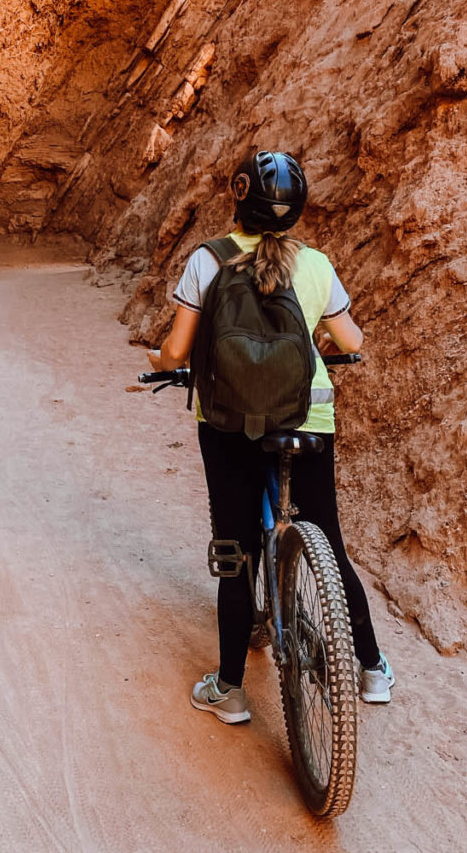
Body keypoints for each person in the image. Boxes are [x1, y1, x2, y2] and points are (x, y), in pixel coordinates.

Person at [145, 150, 395, 724]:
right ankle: (373, 668)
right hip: (306, 420)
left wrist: (157, 359)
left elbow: (178, 351)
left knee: (236, 551)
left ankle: (230, 688)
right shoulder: (316, 265)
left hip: (229, 424)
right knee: (327, 540)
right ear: (296, 210)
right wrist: (323, 346)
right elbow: (352, 341)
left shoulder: (207, 262)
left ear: (238, 199)